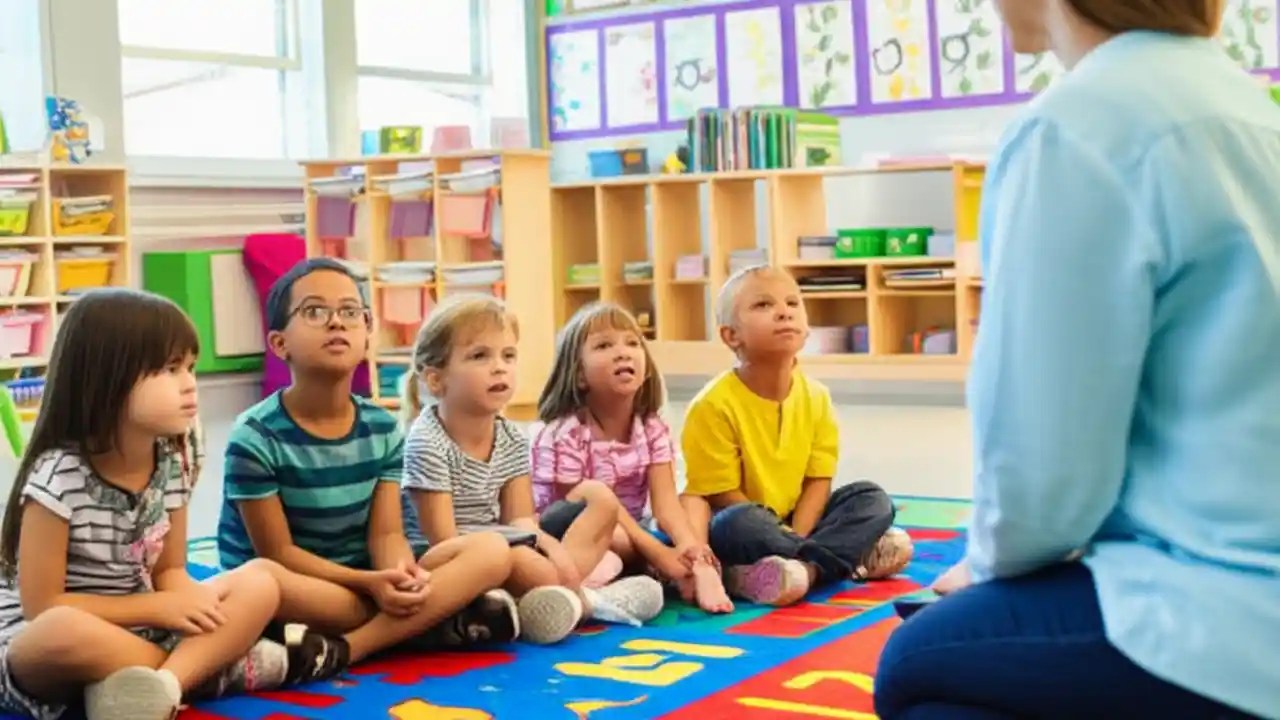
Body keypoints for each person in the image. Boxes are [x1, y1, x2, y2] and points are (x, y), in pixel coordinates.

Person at [873, 3, 1280, 719]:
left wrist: (987, 571)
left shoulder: (1076, 126)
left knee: (916, 662)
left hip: (1221, 614)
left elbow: (1040, 476)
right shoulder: (1250, 107)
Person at [0, 290, 339, 720]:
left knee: (259, 583)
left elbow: (171, 571)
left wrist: (196, 606)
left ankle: (162, 684)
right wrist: (158, 608)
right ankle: (220, 671)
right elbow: (44, 605)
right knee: (60, 632)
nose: (189, 383)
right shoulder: (58, 476)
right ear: (107, 378)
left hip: (143, 627)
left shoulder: (172, 462)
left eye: (191, 367)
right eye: (169, 369)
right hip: (55, 638)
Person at [217, 259, 519, 666]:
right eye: (314, 311)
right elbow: (278, 554)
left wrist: (399, 577)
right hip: (301, 586)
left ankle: (349, 648)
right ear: (279, 343)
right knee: (260, 583)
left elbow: (387, 536)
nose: (336, 323)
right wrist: (371, 584)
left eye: (350, 311)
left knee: (492, 551)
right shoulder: (254, 436)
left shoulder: (382, 428)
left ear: (367, 332)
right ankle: (419, 625)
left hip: (363, 583)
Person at [402, 295, 663, 644]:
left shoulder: (509, 434)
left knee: (598, 509)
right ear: (436, 380)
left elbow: (522, 520)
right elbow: (443, 541)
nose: (500, 367)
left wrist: (556, 556)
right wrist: (534, 560)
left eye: (508, 356)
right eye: (480, 356)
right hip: (449, 560)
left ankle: (554, 598)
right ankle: (592, 601)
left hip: (502, 542)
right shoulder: (427, 440)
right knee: (529, 564)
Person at [681, 266, 914, 606]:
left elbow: (819, 480)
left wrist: (797, 538)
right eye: (763, 305)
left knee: (871, 498)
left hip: (797, 524)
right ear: (732, 335)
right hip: (745, 527)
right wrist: (789, 537)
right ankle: (849, 558)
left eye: (792, 302)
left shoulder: (816, 396)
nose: (784, 312)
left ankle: (804, 569)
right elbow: (721, 494)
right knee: (740, 522)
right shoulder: (712, 405)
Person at [530, 302, 733, 614]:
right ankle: (650, 574)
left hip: (633, 530)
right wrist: (657, 552)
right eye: (604, 345)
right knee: (621, 538)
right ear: (579, 375)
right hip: (576, 531)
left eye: (633, 343)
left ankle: (699, 568)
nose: (623, 352)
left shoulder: (651, 427)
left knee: (693, 502)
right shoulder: (564, 433)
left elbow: (665, 505)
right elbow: (584, 511)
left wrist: (689, 547)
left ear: (647, 367)